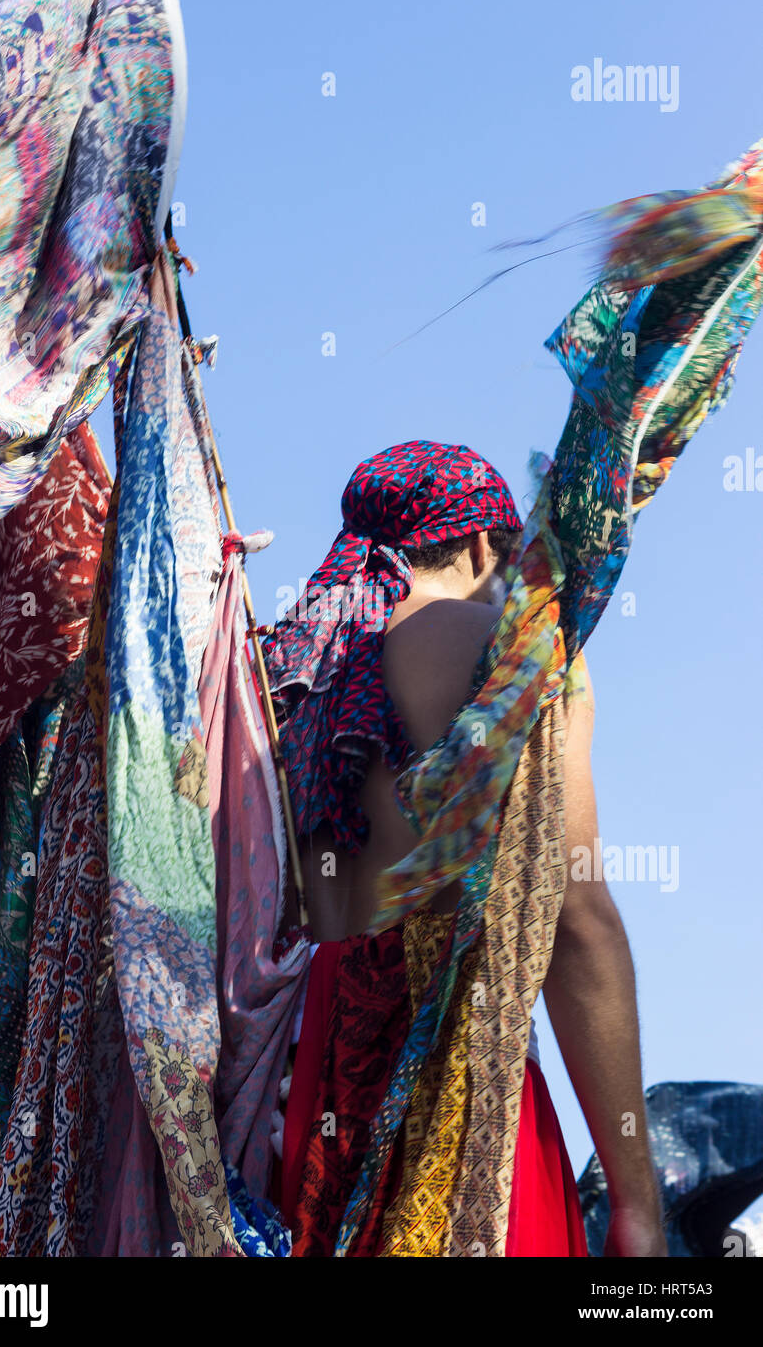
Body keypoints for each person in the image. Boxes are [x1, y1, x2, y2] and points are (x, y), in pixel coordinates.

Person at [263, 440, 666, 1257]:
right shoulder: (512, 655)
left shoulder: (287, 677)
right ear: (485, 544)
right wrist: (635, 1201)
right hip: (464, 1082)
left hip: (306, 1110)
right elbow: (576, 919)